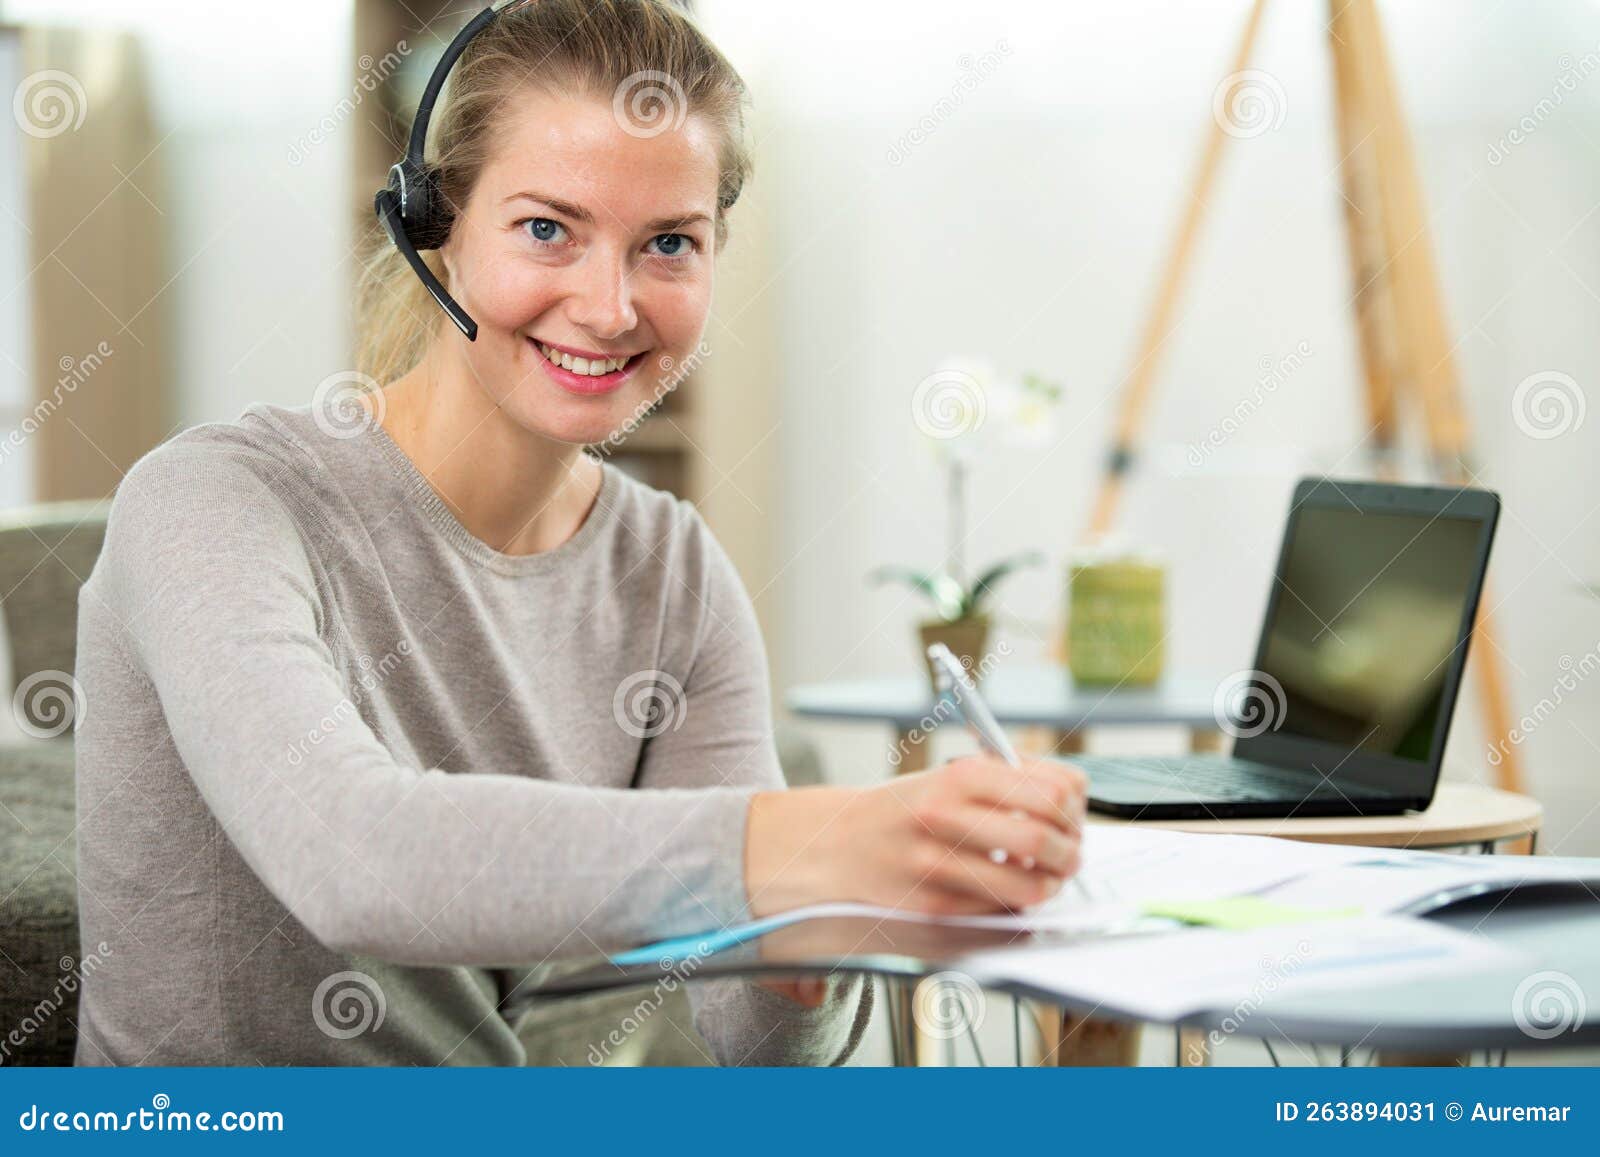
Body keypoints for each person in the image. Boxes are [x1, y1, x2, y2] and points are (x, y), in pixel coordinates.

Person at [72, 0, 1086, 1066]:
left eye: (668, 244)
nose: (609, 308)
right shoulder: (214, 501)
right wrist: (802, 842)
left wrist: (808, 935)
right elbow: (351, 854)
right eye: (547, 229)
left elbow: (760, 1051)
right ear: (435, 227)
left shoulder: (671, 572)